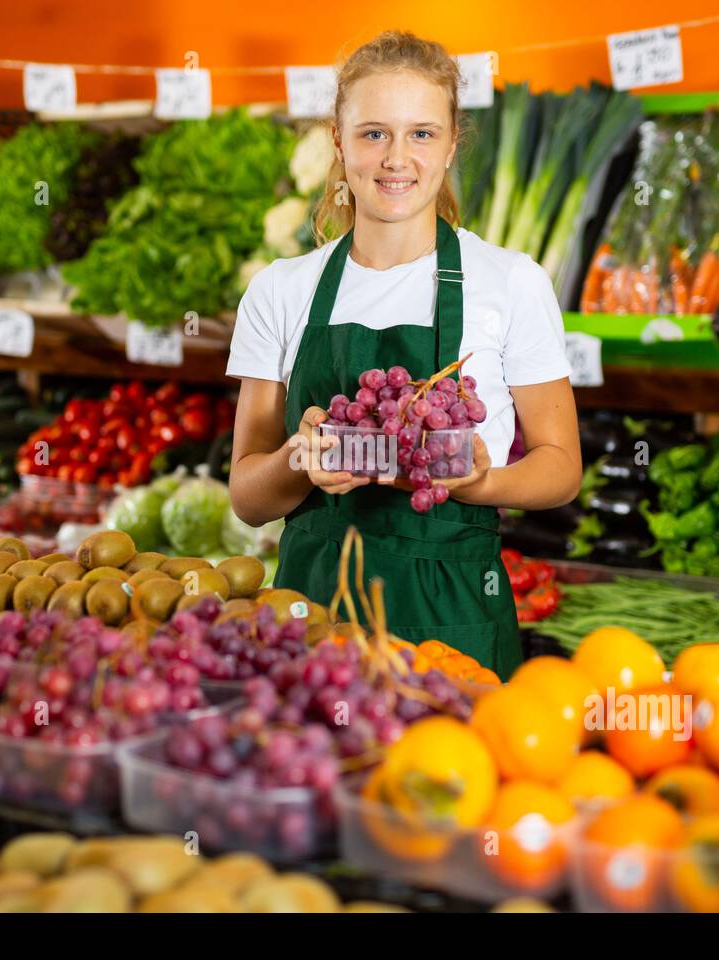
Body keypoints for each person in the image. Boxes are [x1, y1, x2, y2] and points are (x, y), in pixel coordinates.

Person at [226, 30, 580, 677]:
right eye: (372, 133)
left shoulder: (509, 281)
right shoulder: (281, 290)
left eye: (421, 133)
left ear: (451, 143)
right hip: (313, 619)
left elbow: (561, 468)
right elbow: (248, 499)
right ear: (338, 139)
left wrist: (482, 483)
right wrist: (298, 461)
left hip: (455, 621)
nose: (396, 158)